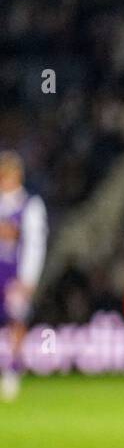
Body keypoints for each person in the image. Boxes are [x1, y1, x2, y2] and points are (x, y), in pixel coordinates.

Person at [0, 152, 49, 403]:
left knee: (16, 321)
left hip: (14, 274)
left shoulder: (30, 205)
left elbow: (35, 244)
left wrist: (29, 278)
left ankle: (12, 371)